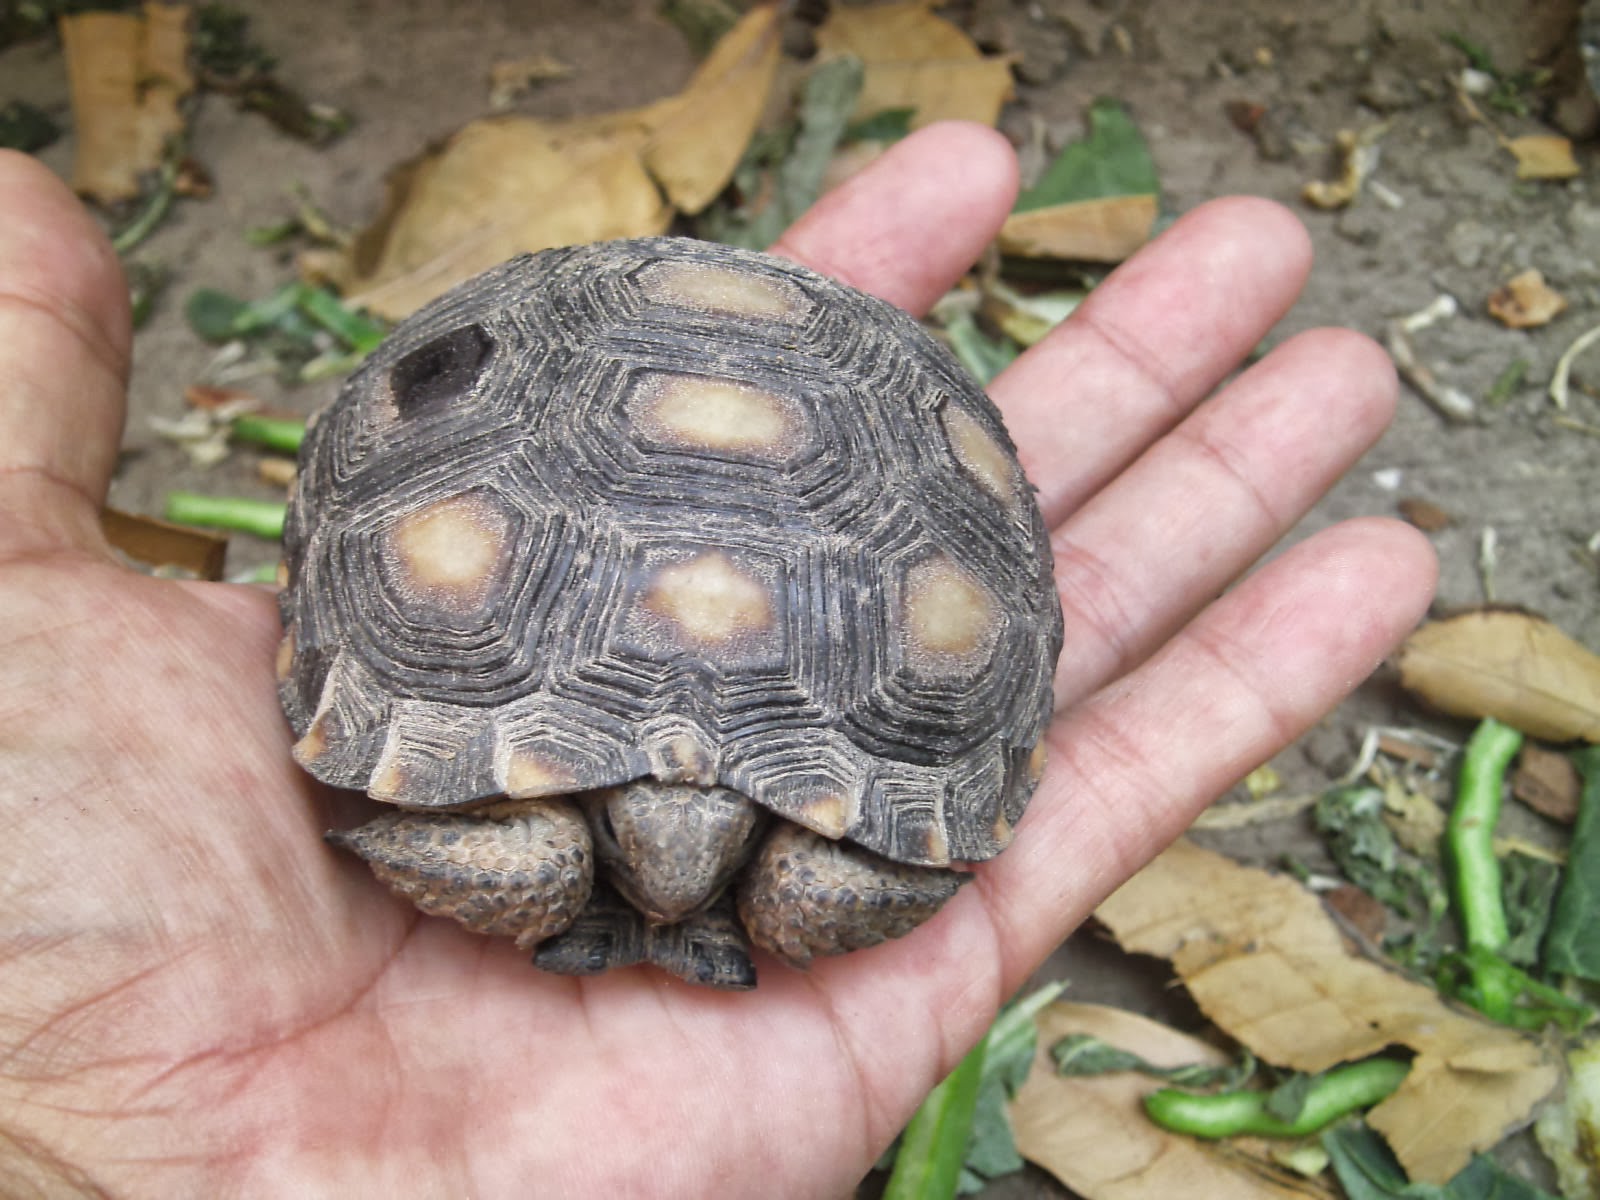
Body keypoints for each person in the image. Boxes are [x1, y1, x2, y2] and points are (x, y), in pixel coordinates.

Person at [0, 122, 1434, 1197]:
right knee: (575, 864)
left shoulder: (769, 868)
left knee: (762, 880)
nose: (672, 883)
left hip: (830, 484)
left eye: (684, 855)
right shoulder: (564, 850)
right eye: (647, 847)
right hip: (557, 382)